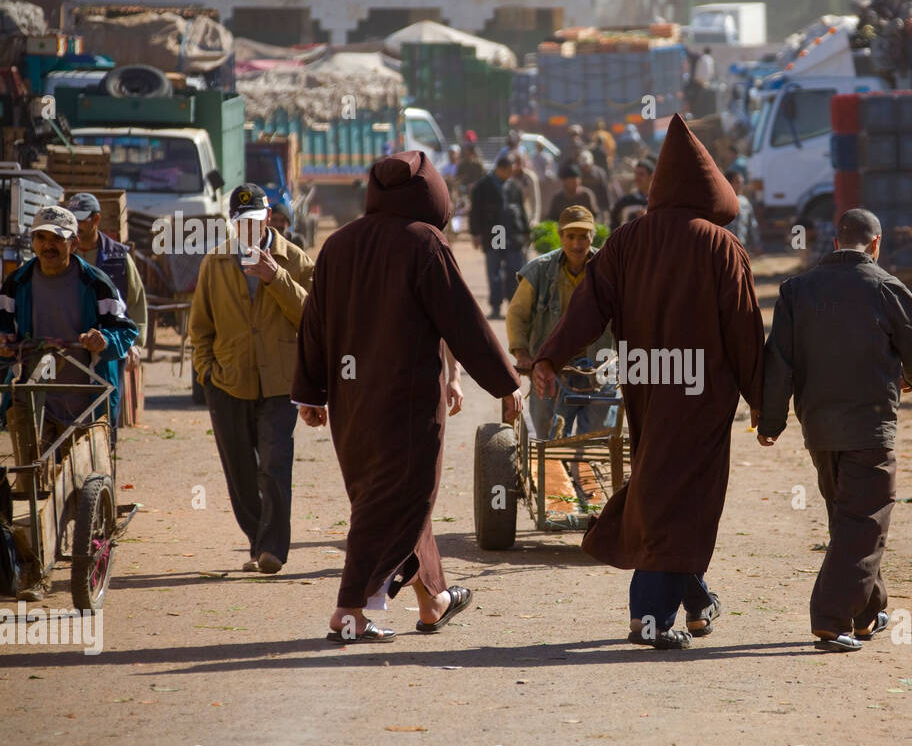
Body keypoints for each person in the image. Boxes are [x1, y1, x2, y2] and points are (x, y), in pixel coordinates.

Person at [532, 114, 765, 650]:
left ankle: (697, 602)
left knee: (662, 482)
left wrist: (550, 357)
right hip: (702, 391)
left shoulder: (626, 242)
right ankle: (649, 617)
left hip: (646, 381)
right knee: (682, 492)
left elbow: (588, 308)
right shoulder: (721, 246)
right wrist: (763, 402)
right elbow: (745, 333)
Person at [293, 151, 522, 644]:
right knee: (398, 497)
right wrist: (505, 383)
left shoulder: (338, 244)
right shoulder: (426, 243)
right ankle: (349, 610)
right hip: (410, 402)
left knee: (389, 497)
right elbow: (463, 322)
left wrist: (309, 392)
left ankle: (432, 600)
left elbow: (315, 323)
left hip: (350, 403)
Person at [758, 209, 912, 652]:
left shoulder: (797, 290)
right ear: (875, 244)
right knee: (862, 523)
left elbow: (777, 362)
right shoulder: (887, 287)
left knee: (850, 522)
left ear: (836, 241)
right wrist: (909, 381)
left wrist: (771, 421)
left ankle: (867, 614)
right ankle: (830, 619)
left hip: (819, 429)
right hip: (869, 427)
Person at [0, 205, 137, 600]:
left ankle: (75, 555)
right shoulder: (17, 283)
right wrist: (7, 345)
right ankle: (35, 574)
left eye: (56, 240)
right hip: (31, 396)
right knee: (31, 488)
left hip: (86, 400)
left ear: (73, 244)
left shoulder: (96, 283)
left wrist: (103, 341)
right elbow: (2, 327)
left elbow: (126, 331)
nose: (47, 246)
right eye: (41, 238)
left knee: (77, 487)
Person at [189, 183, 314, 575]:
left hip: (279, 383)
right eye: (241, 224)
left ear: (269, 220)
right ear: (233, 223)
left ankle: (273, 548)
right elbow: (200, 327)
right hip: (227, 382)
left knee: (275, 464)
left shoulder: (295, 260)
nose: (249, 231)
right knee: (240, 471)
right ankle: (257, 540)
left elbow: (314, 319)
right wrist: (206, 372)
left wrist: (275, 277)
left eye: (256, 222)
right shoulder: (215, 263)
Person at [507, 205, 616, 439]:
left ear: (592, 236)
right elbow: (517, 314)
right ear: (560, 235)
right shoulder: (539, 270)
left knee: (596, 445)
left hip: (599, 371)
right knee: (547, 443)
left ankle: (582, 476)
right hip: (550, 372)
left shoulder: (609, 270)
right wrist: (523, 354)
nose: (577, 244)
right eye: (571, 236)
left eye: (583, 237)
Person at [65, 192, 147, 416]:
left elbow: (136, 301)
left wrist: (135, 343)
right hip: (68, 345)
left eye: (81, 219)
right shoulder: (61, 254)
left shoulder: (118, 256)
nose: (77, 226)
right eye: (72, 220)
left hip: (107, 344)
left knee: (105, 408)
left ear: (96, 220)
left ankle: (107, 447)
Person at [469, 151, 531, 319]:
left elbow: (521, 210)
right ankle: (495, 307)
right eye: (510, 170)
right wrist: (475, 234)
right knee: (495, 271)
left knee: (514, 270)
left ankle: (513, 306)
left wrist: (526, 233)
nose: (512, 173)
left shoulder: (514, 187)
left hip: (512, 234)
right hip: (496, 234)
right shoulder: (483, 186)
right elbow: (475, 212)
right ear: (501, 169)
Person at [723, 169, 761, 255]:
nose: (741, 185)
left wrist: (756, 243)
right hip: (725, 245)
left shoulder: (745, 202)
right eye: (737, 182)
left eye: (741, 182)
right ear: (728, 183)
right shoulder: (722, 202)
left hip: (742, 245)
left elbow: (752, 224)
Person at [609, 157, 653, 229]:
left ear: (651, 176)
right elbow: (614, 226)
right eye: (636, 174)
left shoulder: (658, 202)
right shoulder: (625, 202)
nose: (637, 178)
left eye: (641, 174)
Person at [504, 146, 541, 224]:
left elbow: (535, 200)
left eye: (518, 163)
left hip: (525, 216)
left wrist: (535, 219)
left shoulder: (530, 177)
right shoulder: (506, 177)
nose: (516, 166)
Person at [575, 150, 611, 223]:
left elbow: (605, 190)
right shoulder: (576, 174)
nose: (585, 168)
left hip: (598, 206)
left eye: (587, 166)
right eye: (583, 166)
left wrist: (607, 207)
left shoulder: (600, 173)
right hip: (582, 207)